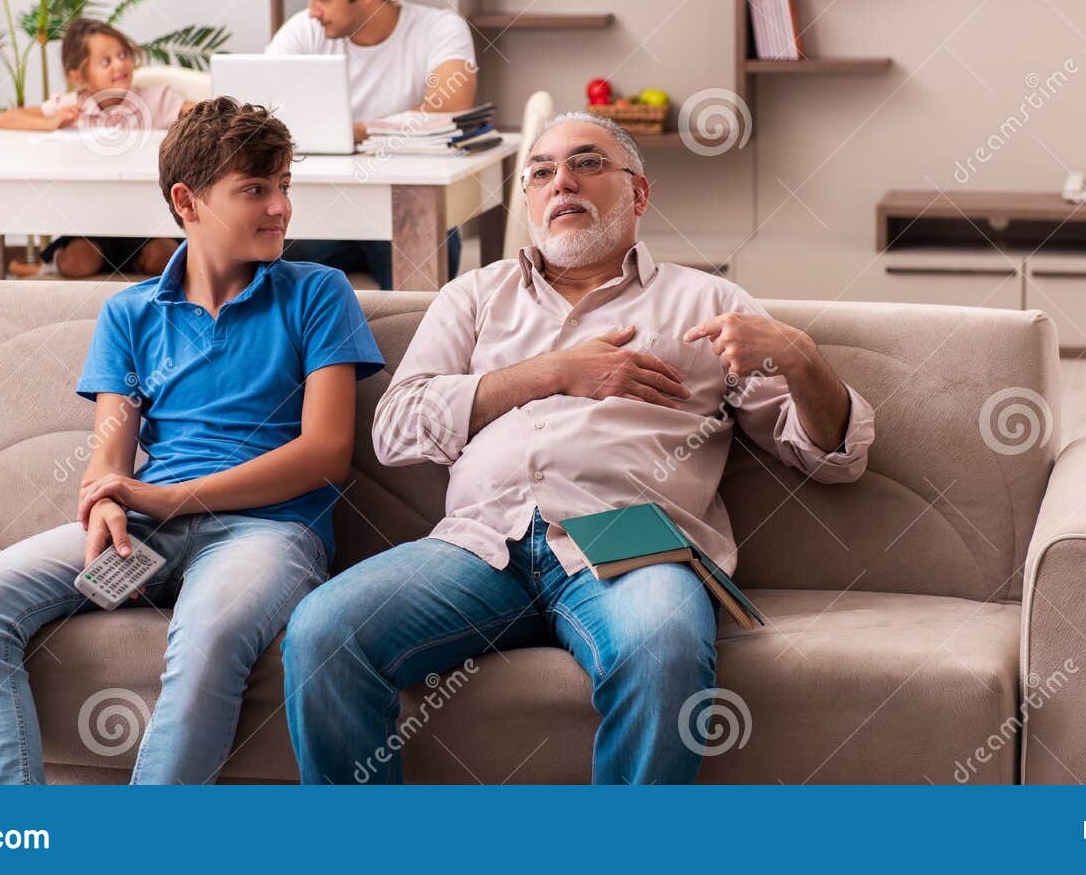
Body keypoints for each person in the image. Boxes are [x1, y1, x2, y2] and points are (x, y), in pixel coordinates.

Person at [281, 112, 876, 784]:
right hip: (481, 540)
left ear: (639, 194)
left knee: (662, 647)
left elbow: (832, 456)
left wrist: (801, 358)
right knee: (323, 632)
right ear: (528, 199)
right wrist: (551, 372)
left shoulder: (705, 301)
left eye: (587, 164)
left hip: (624, 533)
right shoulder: (474, 296)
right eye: (540, 172)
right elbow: (396, 429)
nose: (561, 181)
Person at [0, 97, 385, 784]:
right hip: (147, 522)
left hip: (268, 531)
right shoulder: (129, 313)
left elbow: (326, 453)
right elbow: (108, 460)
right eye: (255, 189)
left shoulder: (318, 293)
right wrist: (106, 503)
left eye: (285, 186)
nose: (281, 208)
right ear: (188, 200)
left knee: (210, 636)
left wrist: (170, 496)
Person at [267, 0, 477, 288]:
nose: (312, 10)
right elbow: (263, 112)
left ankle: (415, 346)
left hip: (405, 213)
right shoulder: (304, 30)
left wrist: (354, 131)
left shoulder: (439, 28)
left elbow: (448, 111)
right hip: (319, 214)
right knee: (250, 251)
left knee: (425, 275)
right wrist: (367, 131)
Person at [0, 17, 194, 278]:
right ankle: (47, 265)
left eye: (123, 54)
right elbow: (4, 118)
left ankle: (131, 264)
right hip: (90, 222)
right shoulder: (73, 105)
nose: (120, 64)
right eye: (106, 61)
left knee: (164, 258)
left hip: (144, 221)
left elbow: (198, 110)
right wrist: (51, 121)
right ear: (79, 76)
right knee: (79, 261)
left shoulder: (154, 100)